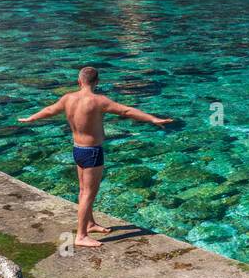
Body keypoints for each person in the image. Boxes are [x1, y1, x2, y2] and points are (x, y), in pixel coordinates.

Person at [17, 66, 173, 247]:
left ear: (79, 81)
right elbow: (126, 111)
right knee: (88, 194)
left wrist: (31, 118)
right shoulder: (98, 101)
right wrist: (153, 119)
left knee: (83, 190)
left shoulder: (68, 98)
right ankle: (81, 235)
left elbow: (50, 110)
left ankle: (90, 224)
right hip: (92, 151)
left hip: (77, 150)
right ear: (97, 82)